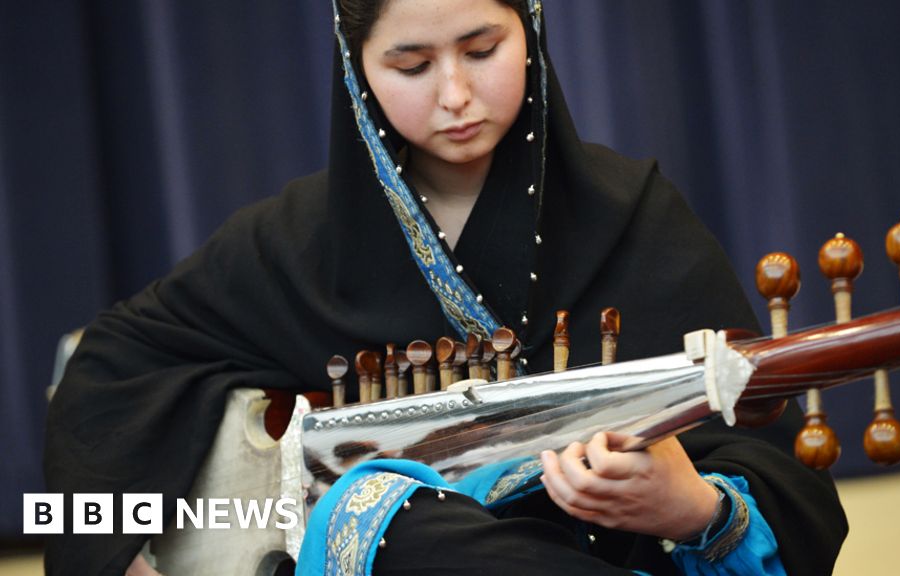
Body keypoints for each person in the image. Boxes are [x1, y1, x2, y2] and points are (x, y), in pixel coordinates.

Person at [45, 0, 847, 574]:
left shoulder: (634, 216)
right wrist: (121, 553)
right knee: (386, 514)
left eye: (481, 47)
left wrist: (693, 508)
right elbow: (112, 364)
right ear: (356, 67)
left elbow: (773, 468)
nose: (454, 95)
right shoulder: (291, 244)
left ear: (529, 27)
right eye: (412, 64)